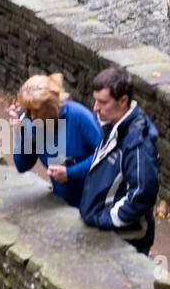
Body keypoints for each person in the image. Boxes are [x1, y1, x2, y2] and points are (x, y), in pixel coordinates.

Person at [78, 66, 160, 255]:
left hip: (125, 238)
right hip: (107, 232)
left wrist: (105, 219)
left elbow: (142, 194)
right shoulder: (111, 122)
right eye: (95, 100)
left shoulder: (138, 142)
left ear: (123, 100)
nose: (95, 108)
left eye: (102, 102)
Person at [8, 73, 101, 209]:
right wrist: (21, 131)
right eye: (29, 111)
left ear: (52, 105)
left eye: (37, 111)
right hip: (62, 202)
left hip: (94, 201)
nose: (32, 116)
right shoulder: (34, 123)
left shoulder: (78, 116)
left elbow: (107, 156)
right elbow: (22, 165)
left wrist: (71, 173)